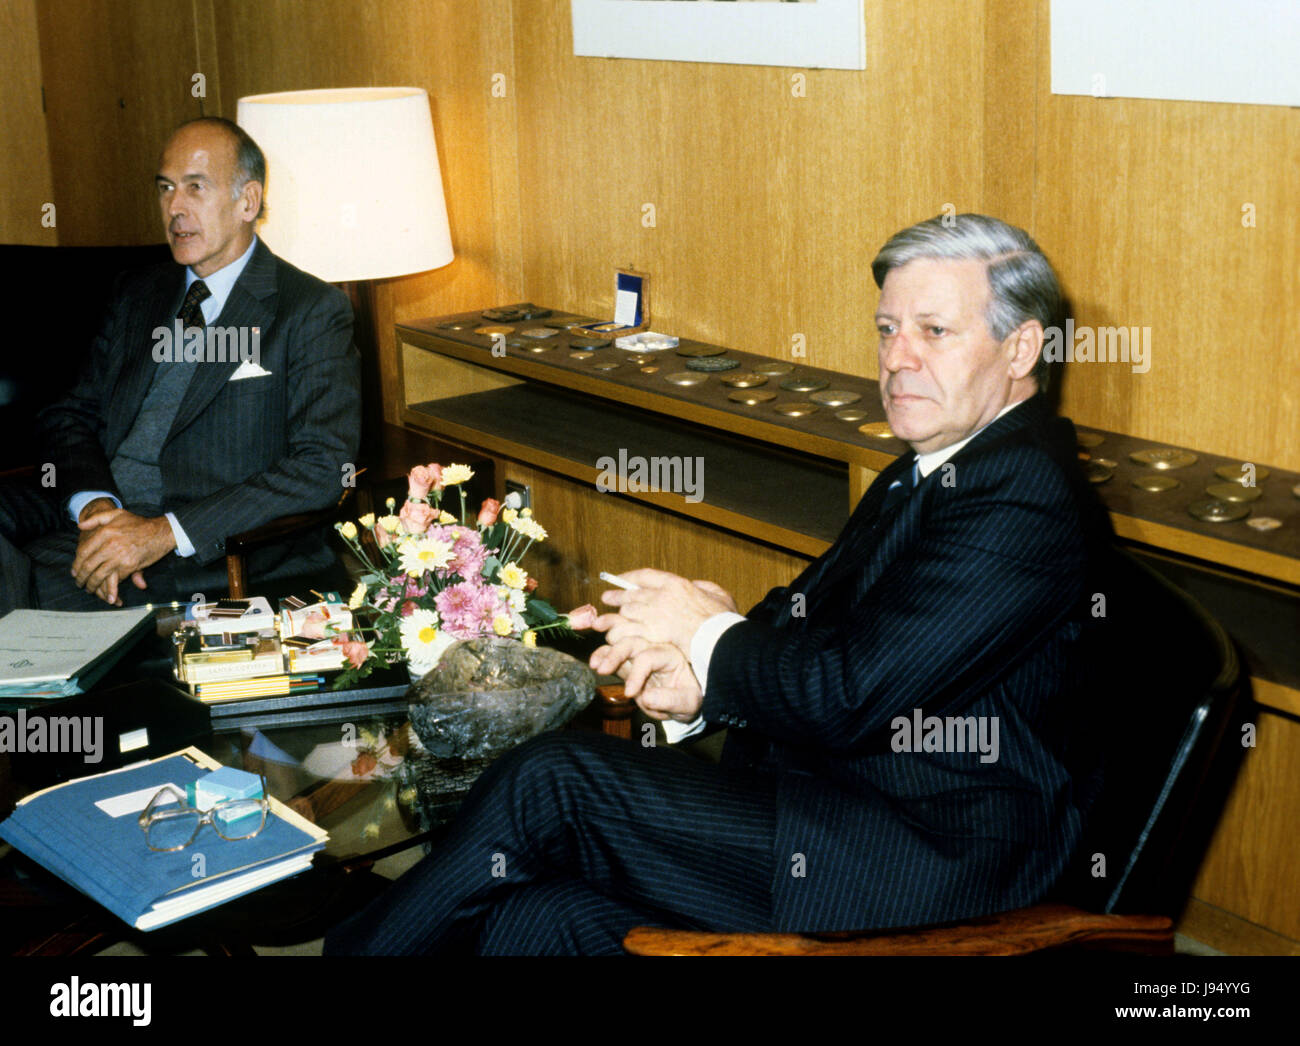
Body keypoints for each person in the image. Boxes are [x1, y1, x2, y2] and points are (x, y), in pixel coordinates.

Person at [324, 214, 1113, 956]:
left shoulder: (1023, 496)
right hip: (844, 799)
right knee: (535, 918)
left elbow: (849, 692)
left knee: (552, 781)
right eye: (887, 329)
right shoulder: (944, 460)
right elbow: (809, 618)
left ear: (1021, 350)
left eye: (934, 332)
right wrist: (700, 679)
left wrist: (706, 632)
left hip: (929, 860)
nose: (898, 356)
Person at [0, 117, 360, 614]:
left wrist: (162, 532)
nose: (175, 208)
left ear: (248, 202)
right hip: (97, 504)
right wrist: (97, 505)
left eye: (196, 187)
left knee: (30, 589)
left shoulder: (309, 310)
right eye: (166, 188)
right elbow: (69, 415)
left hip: (197, 538)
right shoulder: (138, 292)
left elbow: (322, 467)